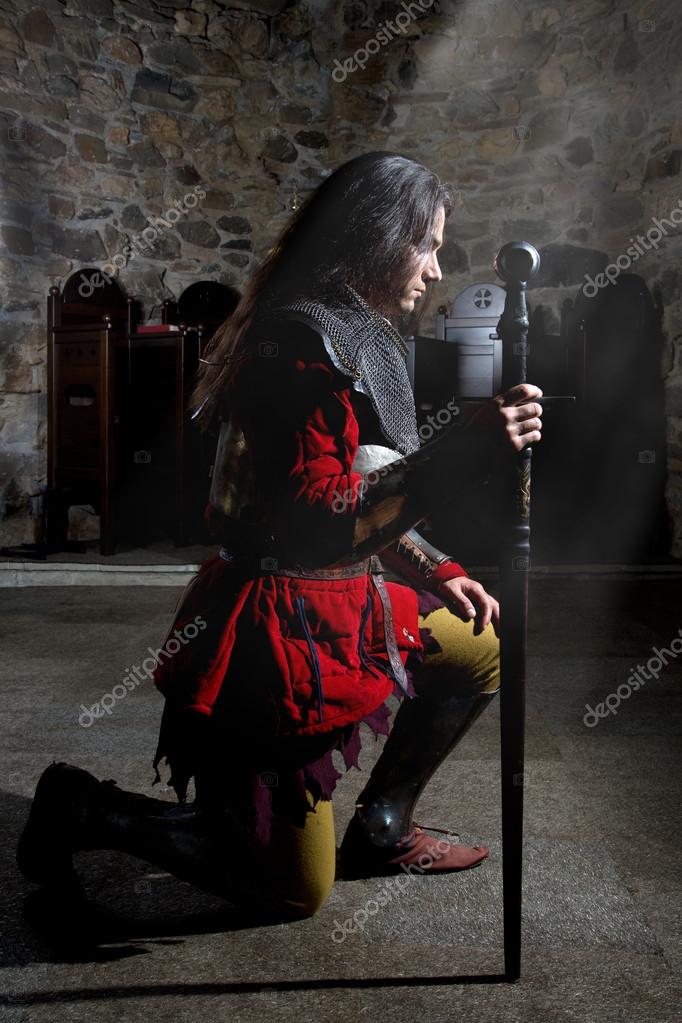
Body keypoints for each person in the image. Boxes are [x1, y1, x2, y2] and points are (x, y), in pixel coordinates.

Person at [17, 152, 543, 923]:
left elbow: (363, 484)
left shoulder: (356, 329)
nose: (435, 269)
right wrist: (467, 447)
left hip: (344, 596)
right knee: (292, 890)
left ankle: (382, 824)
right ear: (377, 235)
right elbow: (314, 521)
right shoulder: (298, 344)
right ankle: (86, 809)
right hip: (273, 632)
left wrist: (436, 573)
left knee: (480, 643)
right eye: (425, 244)